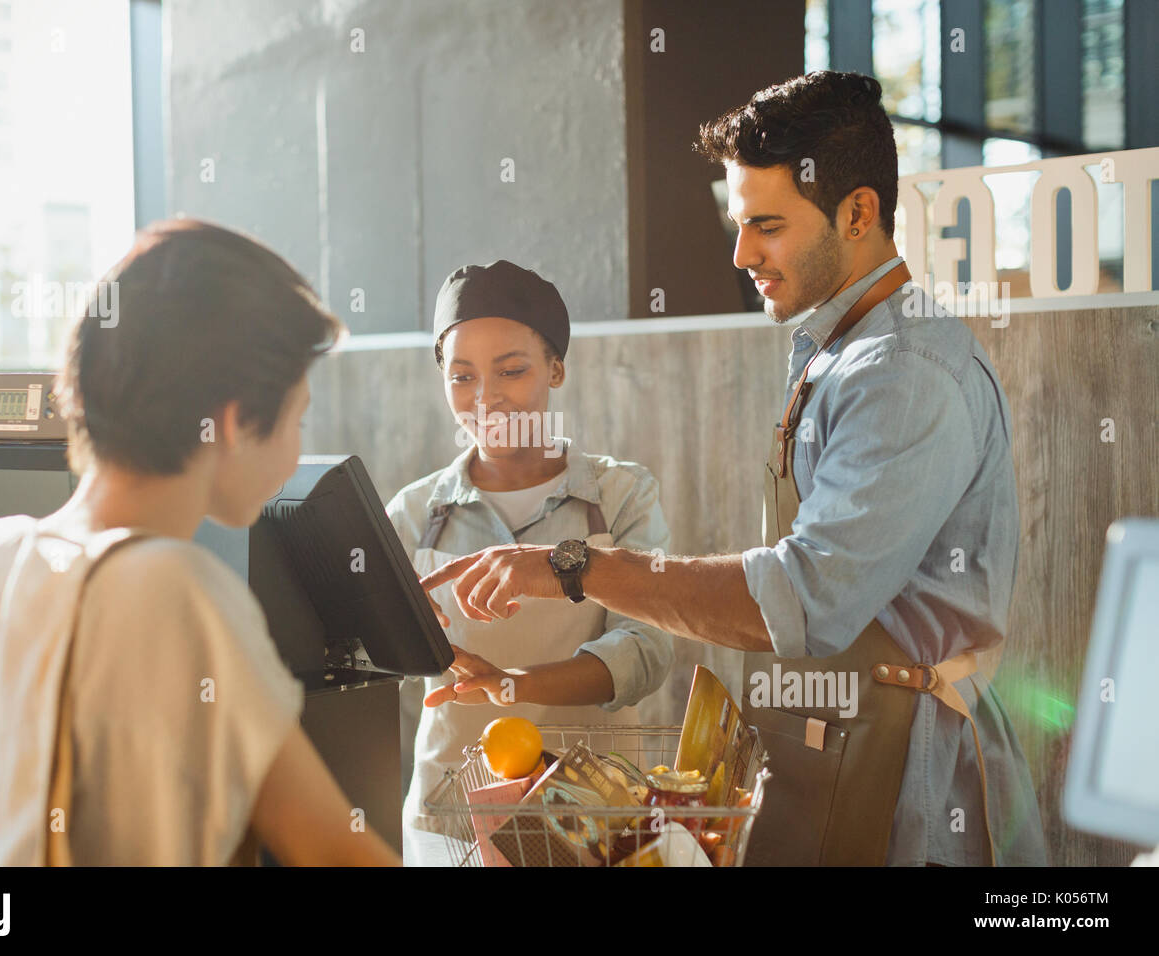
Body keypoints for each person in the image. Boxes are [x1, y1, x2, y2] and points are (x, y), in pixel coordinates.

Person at [420, 73, 1048, 867]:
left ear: (858, 213)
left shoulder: (904, 372)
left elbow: (804, 599)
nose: (742, 253)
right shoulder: (839, 354)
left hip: (911, 793)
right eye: (738, 223)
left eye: (767, 226)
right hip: (842, 749)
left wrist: (572, 566)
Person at [0, 219, 400, 866]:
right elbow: (334, 853)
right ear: (232, 423)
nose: (295, 455)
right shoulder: (170, 587)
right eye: (297, 418)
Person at [385, 260, 674, 866]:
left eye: (511, 370)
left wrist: (511, 687)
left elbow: (647, 652)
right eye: (461, 376)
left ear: (556, 368)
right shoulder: (413, 513)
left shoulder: (622, 496)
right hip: (451, 823)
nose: (485, 398)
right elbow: (373, 656)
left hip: (595, 815)